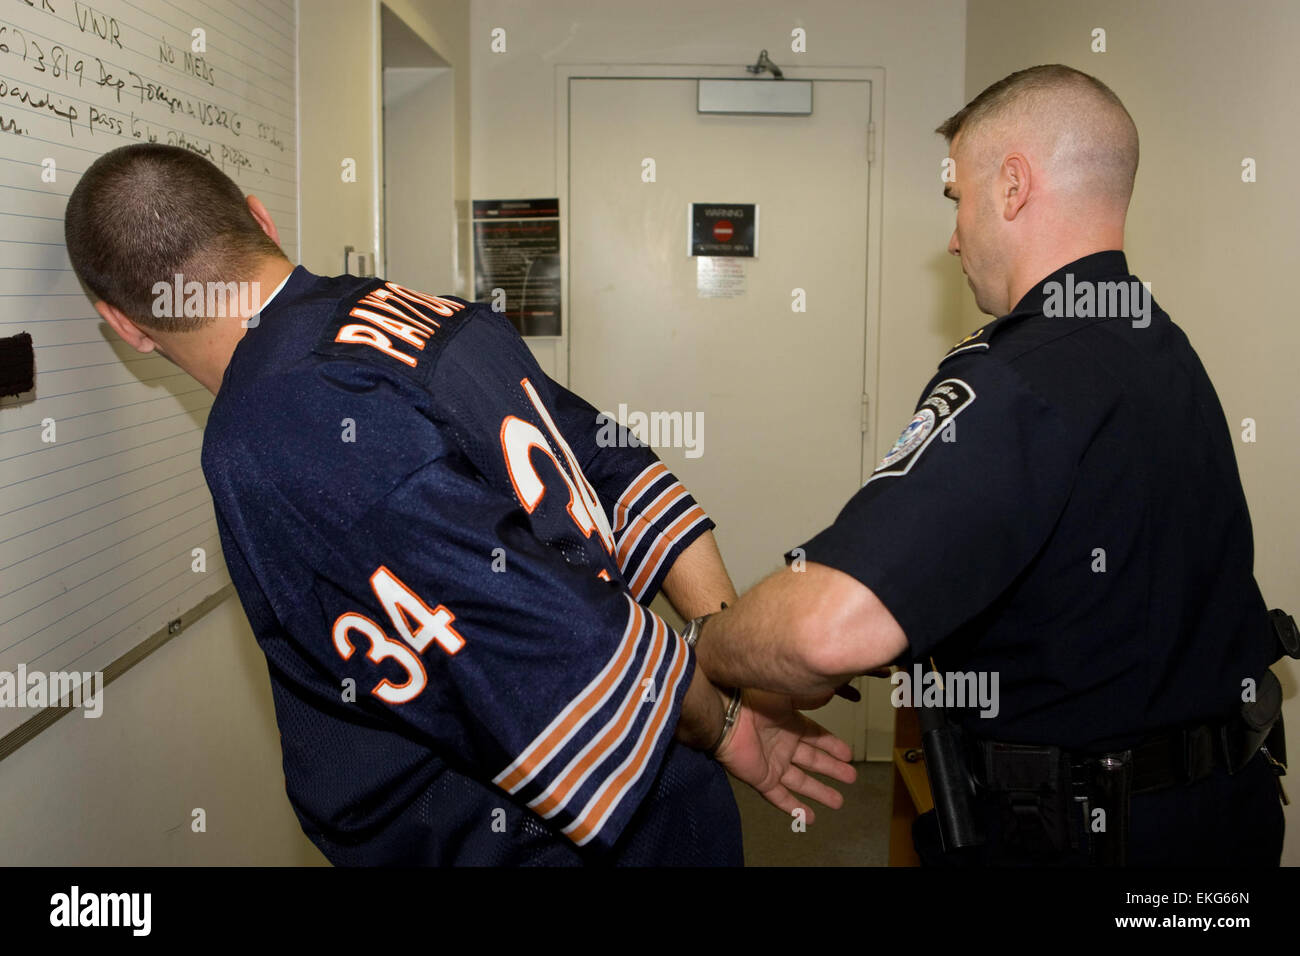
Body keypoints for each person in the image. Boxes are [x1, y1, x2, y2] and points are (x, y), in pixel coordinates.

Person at [63, 143, 855, 866]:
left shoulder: (272, 427)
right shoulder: (420, 310)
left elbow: (549, 637)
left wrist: (729, 725)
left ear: (125, 327)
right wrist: (722, 650)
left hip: (544, 838)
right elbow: (615, 460)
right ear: (261, 219)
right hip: (663, 790)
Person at [689, 64, 1287, 866]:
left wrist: (705, 644)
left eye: (956, 198)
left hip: (1087, 834)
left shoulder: (1019, 373)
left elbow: (825, 628)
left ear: (1011, 187)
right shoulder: (1156, 343)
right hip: (1223, 817)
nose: (954, 233)